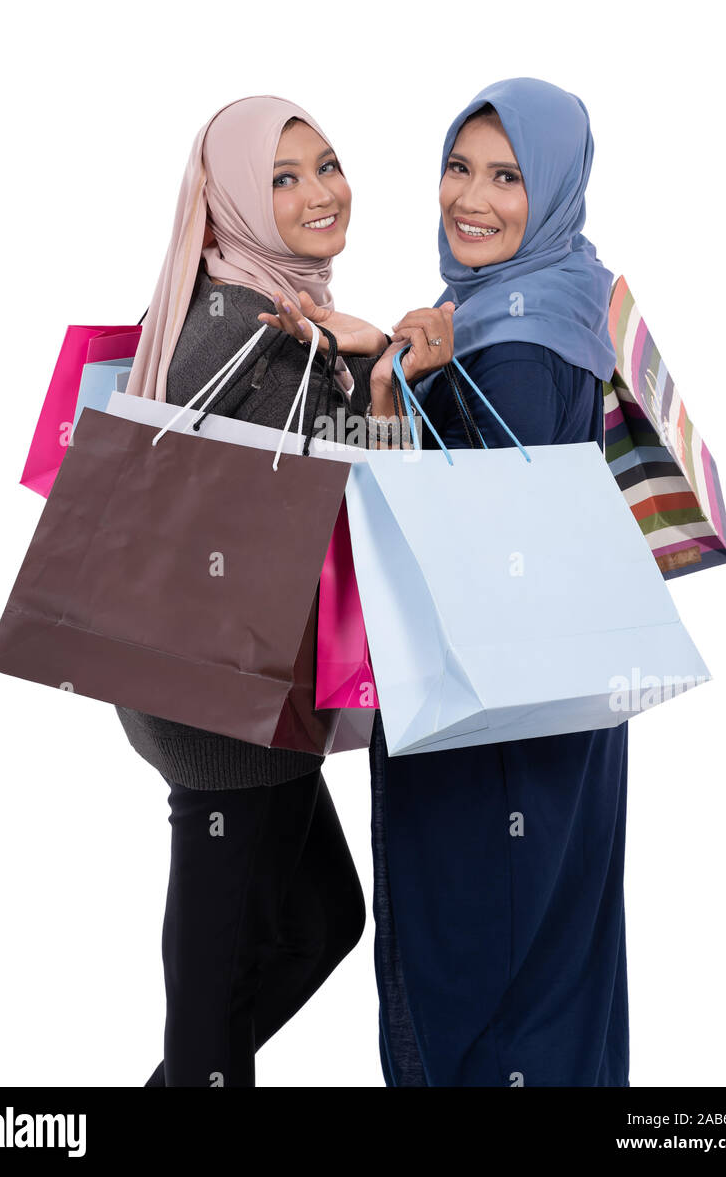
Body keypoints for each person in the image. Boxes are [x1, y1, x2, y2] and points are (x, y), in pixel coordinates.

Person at [294, 77, 627, 1087]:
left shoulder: (514, 344)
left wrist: (389, 394)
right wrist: (406, 364)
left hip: (491, 740)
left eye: (506, 177)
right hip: (556, 727)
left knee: (478, 999)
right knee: (553, 981)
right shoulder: (559, 288)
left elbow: (474, 562)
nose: (469, 199)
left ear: (555, 189)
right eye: (457, 166)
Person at [118, 94, 453, 1087]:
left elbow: (352, 493)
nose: (319, 192)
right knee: (214, 995)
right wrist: (337, 358)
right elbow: (310, 512)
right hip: (221, 705)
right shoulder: (239, 318)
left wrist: (365, 371)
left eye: (326, 163)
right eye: (281, 176)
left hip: (247, 686)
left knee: (321, 920)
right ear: (225, 208)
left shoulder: (269, 304)